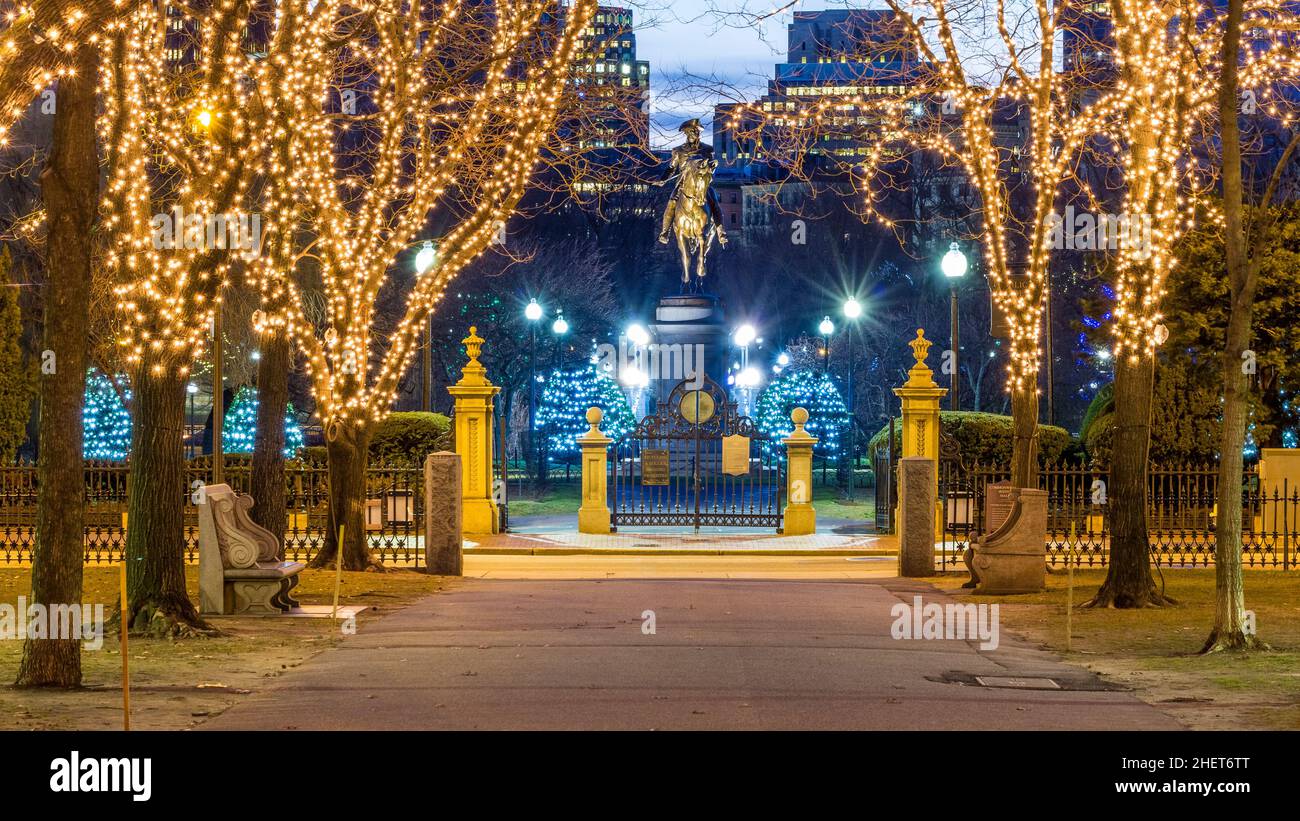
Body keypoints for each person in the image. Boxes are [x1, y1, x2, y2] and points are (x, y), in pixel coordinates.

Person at [658, 118, 728, 247]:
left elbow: (711, 167)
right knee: (672, 201)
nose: (697, 133)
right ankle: (665, 231)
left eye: (698, 131)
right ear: (687, 133)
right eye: (694, 131)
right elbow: (671, 168)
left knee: (714, 202)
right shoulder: (678, 151)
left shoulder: (707, 149)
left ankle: (720, 232)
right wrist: (663, 179)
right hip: (683, 184)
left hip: (702, 183)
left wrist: (712, 167)